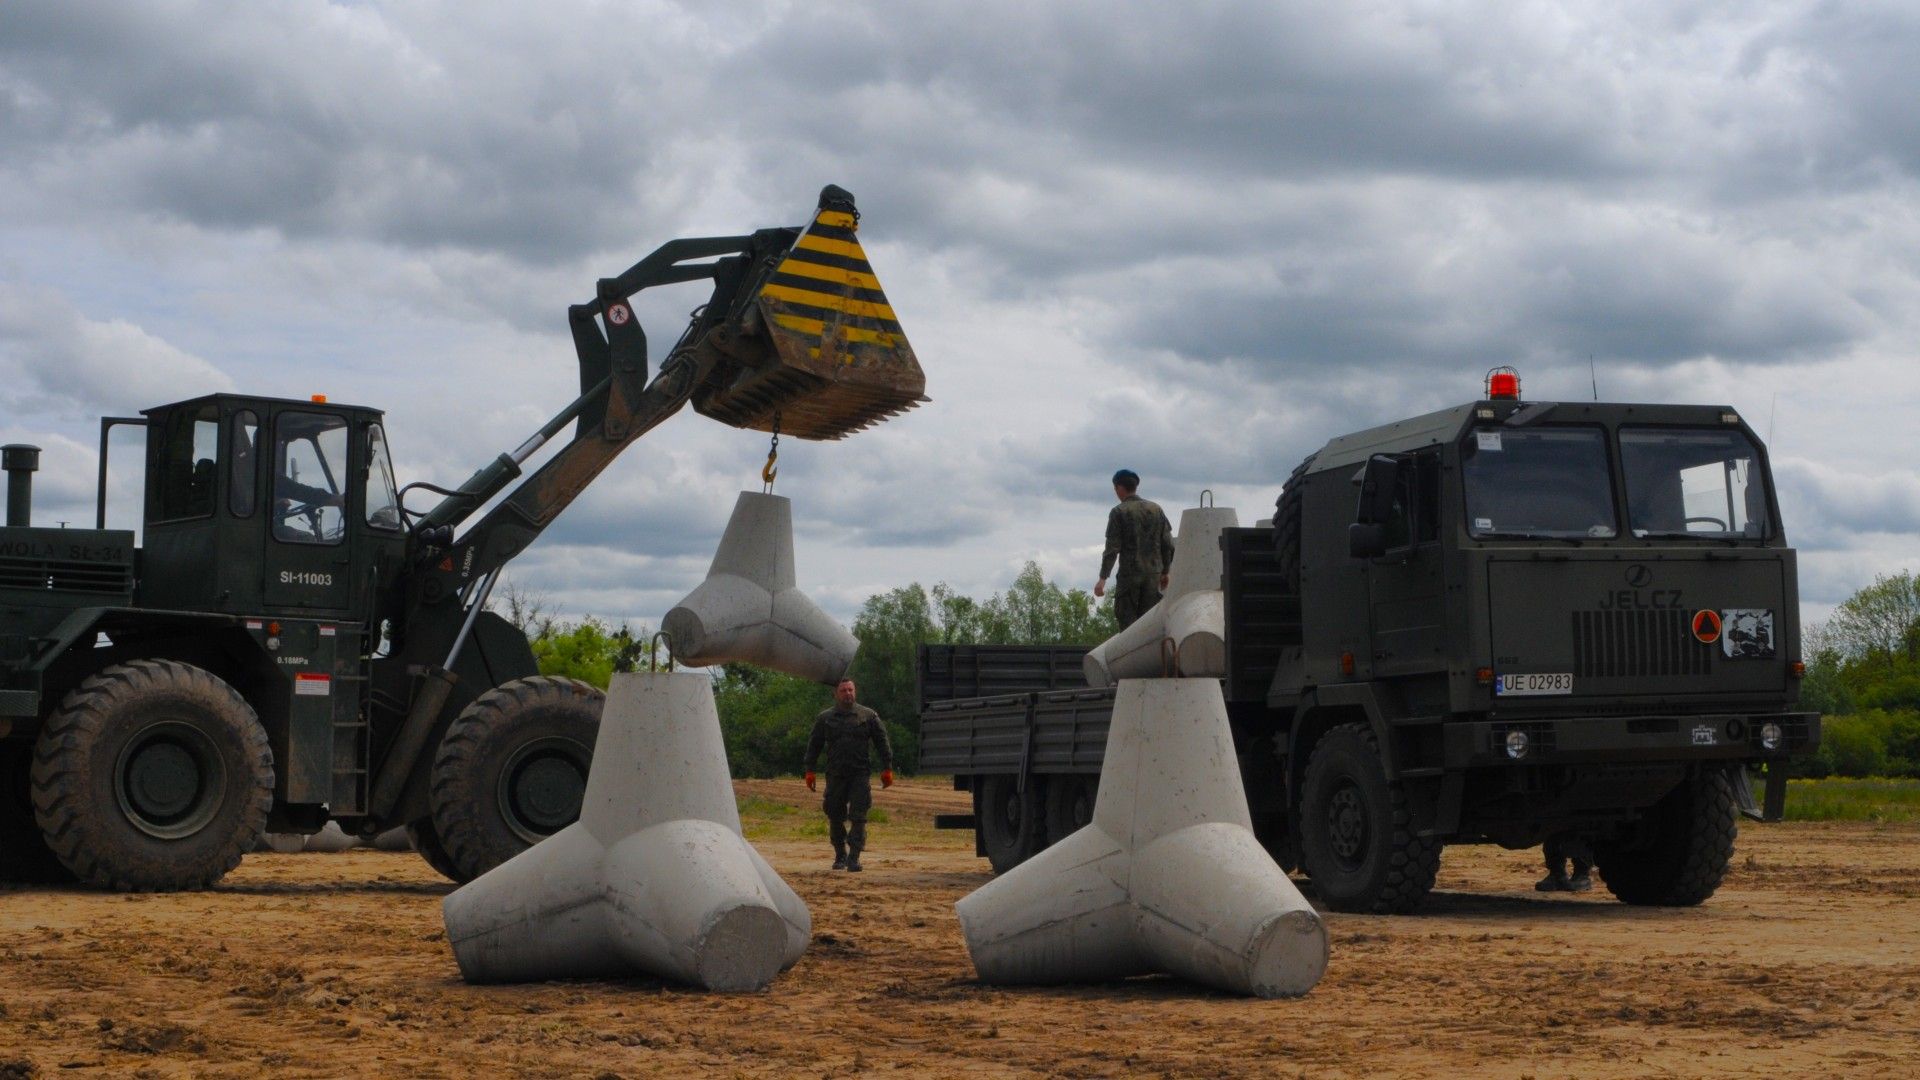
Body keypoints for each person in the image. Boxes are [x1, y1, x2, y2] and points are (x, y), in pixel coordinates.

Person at [803, 678, 894, 872]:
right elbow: (814, 745)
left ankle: (854, 857)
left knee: (859, 816)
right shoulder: (825, 718)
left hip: (860, 774)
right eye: (843, 690)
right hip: (835, 774)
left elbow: (882, 742)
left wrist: (887, 768)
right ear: (836, 694)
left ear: (855, 691)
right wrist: (809, 770)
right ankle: (840, 855)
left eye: (850, 690)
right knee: (835, 814)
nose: (848, 693)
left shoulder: (868, 716)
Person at [1094, 469, 1176, 630]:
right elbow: (1168, 544)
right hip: (1153, 576)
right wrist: (1165, 571)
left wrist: (1102, 578)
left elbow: (1112, 549)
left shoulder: (1119, 512)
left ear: (1119, 488)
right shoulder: (1156, 509)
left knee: (1128, 626)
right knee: (1149, 625)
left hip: (1129, 576)